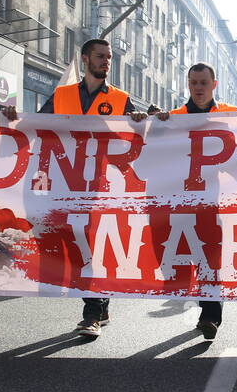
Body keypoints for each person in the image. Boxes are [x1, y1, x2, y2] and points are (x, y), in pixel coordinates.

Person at [22, 38, 145, 337]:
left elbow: (134, 133)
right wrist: (15, 119)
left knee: (92, 245)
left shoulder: (120, 98)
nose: (106, 62)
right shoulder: (62, 94)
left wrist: (140, 121)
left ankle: (90, 313)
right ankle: (100, 303)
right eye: (101, 56)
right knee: (75, 243)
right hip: (66, 182)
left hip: (102, 185)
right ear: (85, 59)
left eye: (110, 57)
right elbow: (39, 124)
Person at [153, 62, 237, 340]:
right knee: (177, 257)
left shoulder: (229, 115)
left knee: (210, 258)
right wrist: (150, 123)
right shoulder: (173, 117)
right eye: (193, 83)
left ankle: (210, 315)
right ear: (188, 85)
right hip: (178, 202)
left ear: (214, 85)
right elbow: (152, 149)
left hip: (212, 201)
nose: (198, 88)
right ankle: (194, 298)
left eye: (203, 83)